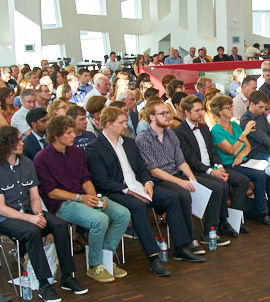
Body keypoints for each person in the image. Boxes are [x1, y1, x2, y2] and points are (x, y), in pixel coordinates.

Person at [85, 105, 202, 272]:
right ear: (109, 124)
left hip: (139, 187)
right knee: (138, 206)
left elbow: (141, 169)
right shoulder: (94, 147)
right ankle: (153, 257)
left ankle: (181, 246)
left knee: (172, 197)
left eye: (126, 121)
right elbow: (102, 180)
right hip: (118, 191)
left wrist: (147, 182)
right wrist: (129, 191)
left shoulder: (129, 143)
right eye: (122, 122)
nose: (126, 125)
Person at [0, 126, 84, 302]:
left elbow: (34, 196)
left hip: (30, 212)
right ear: (6, 144)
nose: (22, 143)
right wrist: (31, 218)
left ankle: (68, 276)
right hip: (7, 218)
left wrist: (38, 214)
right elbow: (1, 209)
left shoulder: (26, 163)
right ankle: (43, 283)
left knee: (60, 225)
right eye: (17, 140)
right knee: (32, 231)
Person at [33, 115, 131, 284]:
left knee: (123, 214)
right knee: (99, 220)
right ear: (56, 135)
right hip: (63, 204)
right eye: (69, 133)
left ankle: (105, 257)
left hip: (83, 196)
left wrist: (93, 198)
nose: (74, 136)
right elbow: (51, 192)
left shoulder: (77, 152)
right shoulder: (41, 158)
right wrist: (81, 198)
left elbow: (85, 178)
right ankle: (95, 264)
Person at [137, 99, 238, 247]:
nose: (168, 116)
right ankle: (190, 239)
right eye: (163, 113)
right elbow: (153, 170)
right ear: (152, 117)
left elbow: (181, 161)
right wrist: (181, 181)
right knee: (183, 194)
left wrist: (191, 177)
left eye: (168, 112)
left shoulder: (170, 134)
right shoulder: (143, 138)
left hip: (179, 174)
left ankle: (210, 232)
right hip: (162, 179)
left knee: (216, 188)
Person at [207, 94, 270, 226]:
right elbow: (231, 150)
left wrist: (239, 155)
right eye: (228, 108)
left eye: (231, 106)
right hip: (229, 164)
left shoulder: (234, 125)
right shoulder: (216, 131)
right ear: (220, 112)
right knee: (260, 176)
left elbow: (247, 146)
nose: (232, 110)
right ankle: (261, 213)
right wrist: (243, 135)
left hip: (241, 160)